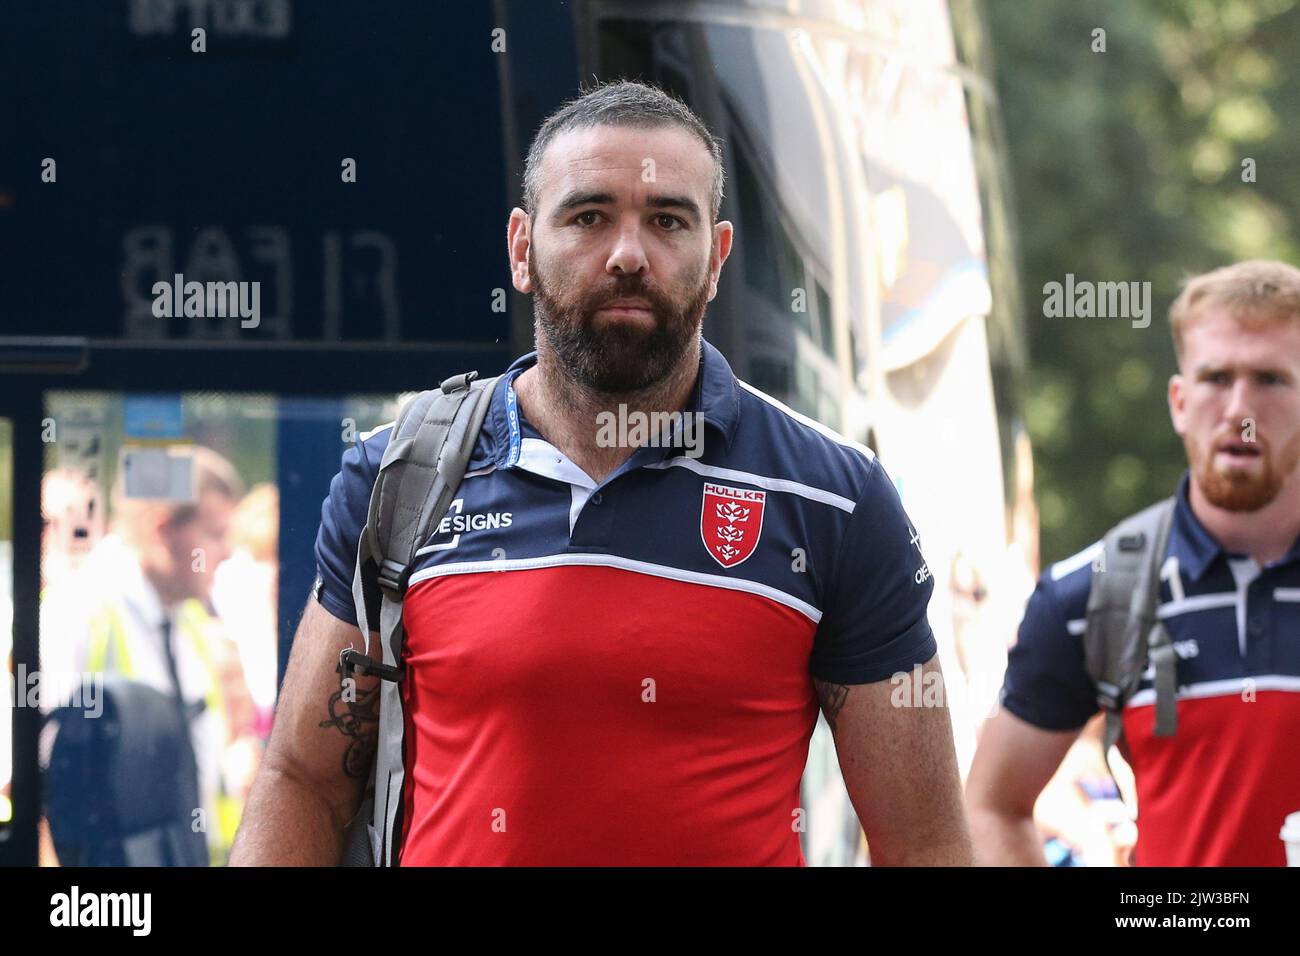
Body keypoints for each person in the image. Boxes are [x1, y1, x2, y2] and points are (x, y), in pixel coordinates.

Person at [231, 80, 971, 866]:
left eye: (667, 221)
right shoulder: (399, 476)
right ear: (521, 249)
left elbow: (924, 845)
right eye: (589, 216)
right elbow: (305, 781)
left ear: (716, 258)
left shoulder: (835, 499)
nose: (628, 254)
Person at [967, 260, 1300, 866]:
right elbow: (991, 805)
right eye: (1216, 378)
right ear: (1179, 401)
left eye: (1271, 379)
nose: (1239, 409)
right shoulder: (1090, 594)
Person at [39, 444, 256, 864]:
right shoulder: (76, 613)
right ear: (164, 529)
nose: (227, 551)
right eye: (214, 534)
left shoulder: (190, 624)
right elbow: (42, 780)